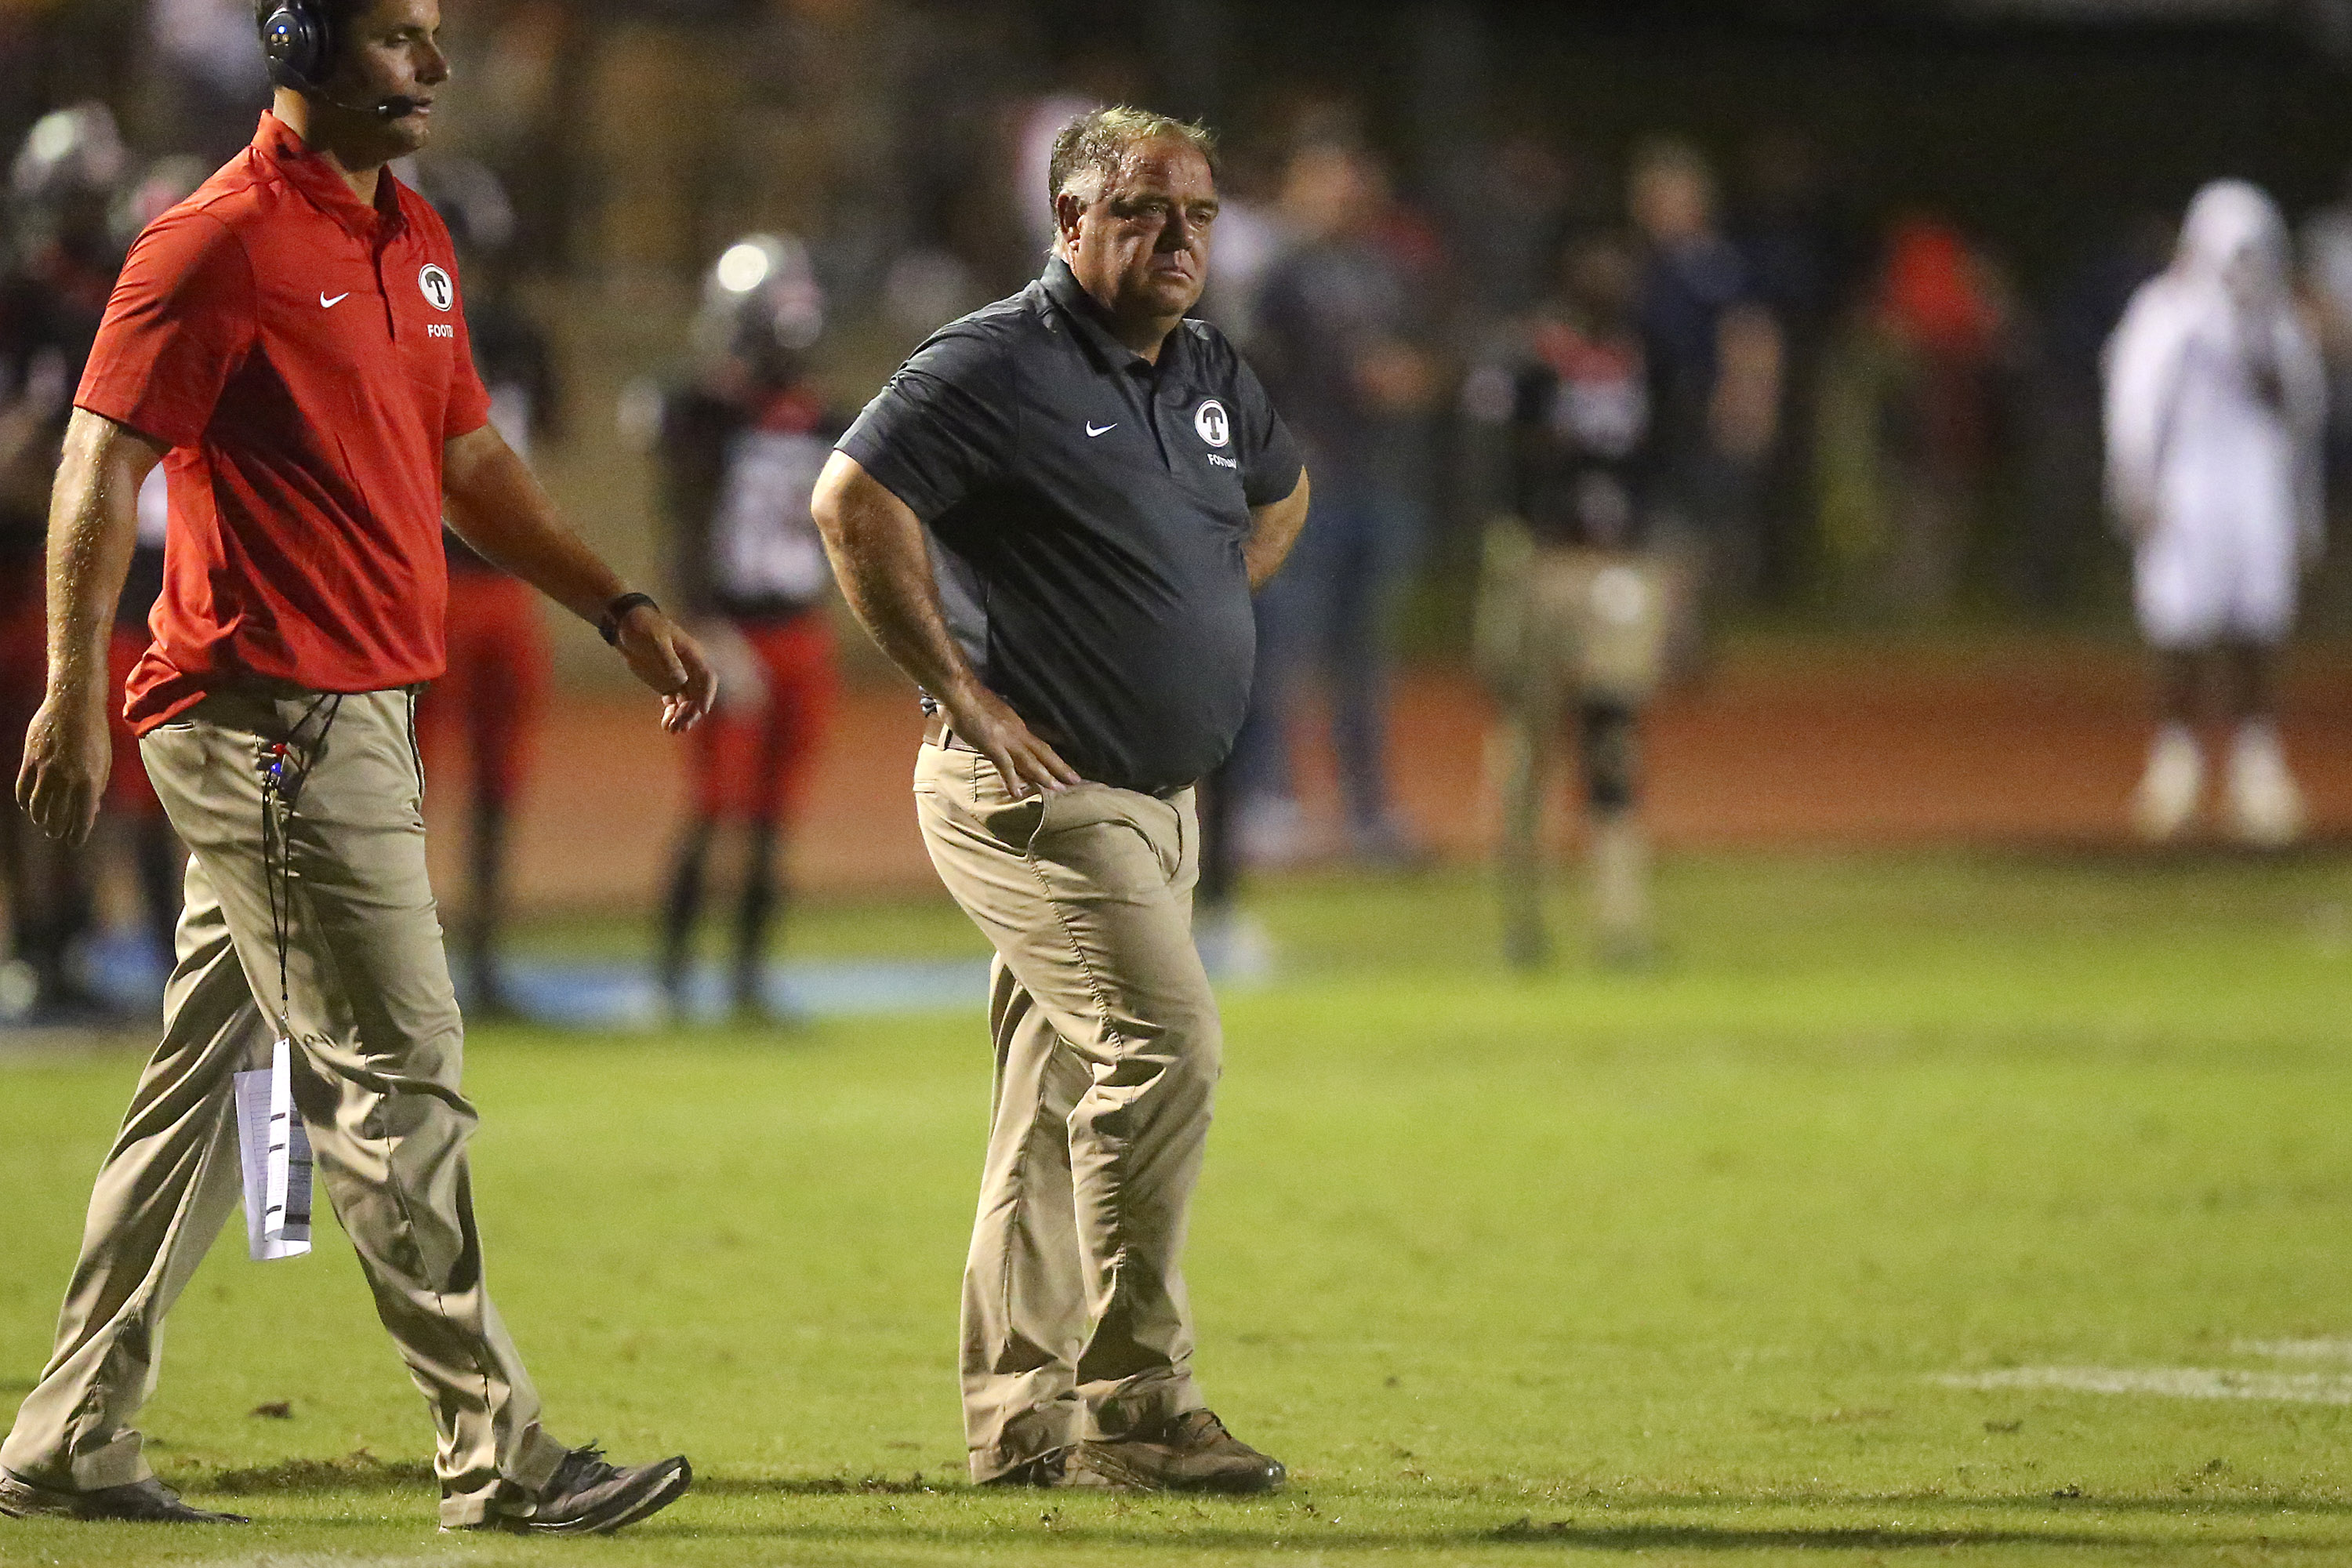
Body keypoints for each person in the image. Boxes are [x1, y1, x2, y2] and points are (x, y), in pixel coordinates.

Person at [3, 0, 710, 1531]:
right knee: (399, 1068)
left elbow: (466, 459)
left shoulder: (421, 234)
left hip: (359, 707)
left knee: (208, 1087)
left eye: (434, 35)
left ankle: (67, 1430)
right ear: (302, 45)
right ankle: (497, 1449)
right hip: (267, 718)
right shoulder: (212, 240)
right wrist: (68, 687)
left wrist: (614, 597)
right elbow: (96, 457)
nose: (435, 67)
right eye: (399, 37)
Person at [813, 105, 1309, 1494]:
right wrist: (962, 690)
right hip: (1040, 795)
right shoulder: (994, 361)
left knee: (1047, 1112)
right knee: (1170, 1050)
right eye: (1145, 210)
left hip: (1163, 803)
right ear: (1072, 222)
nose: (1179, 237)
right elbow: (852, 502)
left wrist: (1201, 596)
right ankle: (1140, 1403)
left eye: (1200, 214)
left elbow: (1283, 493)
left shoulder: (1208, 367)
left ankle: (1021, 1427)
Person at [1465, 230, 1678, 968]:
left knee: (1613, 733)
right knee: (1526, 741)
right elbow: (1492, 468)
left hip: (1618, 566)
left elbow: (1668, 458)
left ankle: (1619, 918)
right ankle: (1521, 915)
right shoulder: (1527, 361)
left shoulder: (1648, 355)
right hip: (1541, 563)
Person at [1227, 136, 1442, 867]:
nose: (1338, 196)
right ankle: (1271, 804)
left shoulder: (1388, 270)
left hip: (1375, 481)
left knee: (1363, 661)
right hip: (1301, 486)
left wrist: (1412, 376)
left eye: (1346, 182)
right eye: (1321, 183)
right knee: (1279, 651)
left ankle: (1367, 810)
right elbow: (1245, 374)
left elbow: (1426, 354)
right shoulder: (1279, 275)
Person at [652, 232, 840, 1022]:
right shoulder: (704, 415)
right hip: (731, 632)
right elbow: (684, 534)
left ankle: (746, 979)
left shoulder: (828, 419)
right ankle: (671, 981)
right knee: (715, 806)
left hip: (800, 630)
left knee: (771, 814)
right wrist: (706, 631)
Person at [2105, 180, 2324, 845]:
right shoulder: (2164, 313)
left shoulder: (2279, 322)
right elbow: (2135, 403)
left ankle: (2257, 764)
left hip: (2255, 482)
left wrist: (2302, 507)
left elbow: (2301, 417)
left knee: (2258, 617)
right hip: (2189, 482)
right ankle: (2177, 765)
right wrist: (2135, 484)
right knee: (2180, 618)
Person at [412, 155, 554, 1016]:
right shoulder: (400, 327)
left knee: (497, 778)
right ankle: (411, 962)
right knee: (403, 784)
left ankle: (485, 958)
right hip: (425, 579)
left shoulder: (516, 335)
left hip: (502, 581)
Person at [0, 103, 129, 1022]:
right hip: (20, 567)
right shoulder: (28, 305)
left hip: (58, 568)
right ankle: (38, 944)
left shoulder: (102, 299)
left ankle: (60, 941)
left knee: (74, 762)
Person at [1628, 138, 1780, 607]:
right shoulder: (1648, 265)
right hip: (1650, 410)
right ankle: (1665, 629)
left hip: (1698, 407)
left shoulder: (1712, 265)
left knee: (1684, 528)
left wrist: (1749, 402)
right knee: (1657, 523)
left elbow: (1752, 335)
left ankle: (1673, 632)